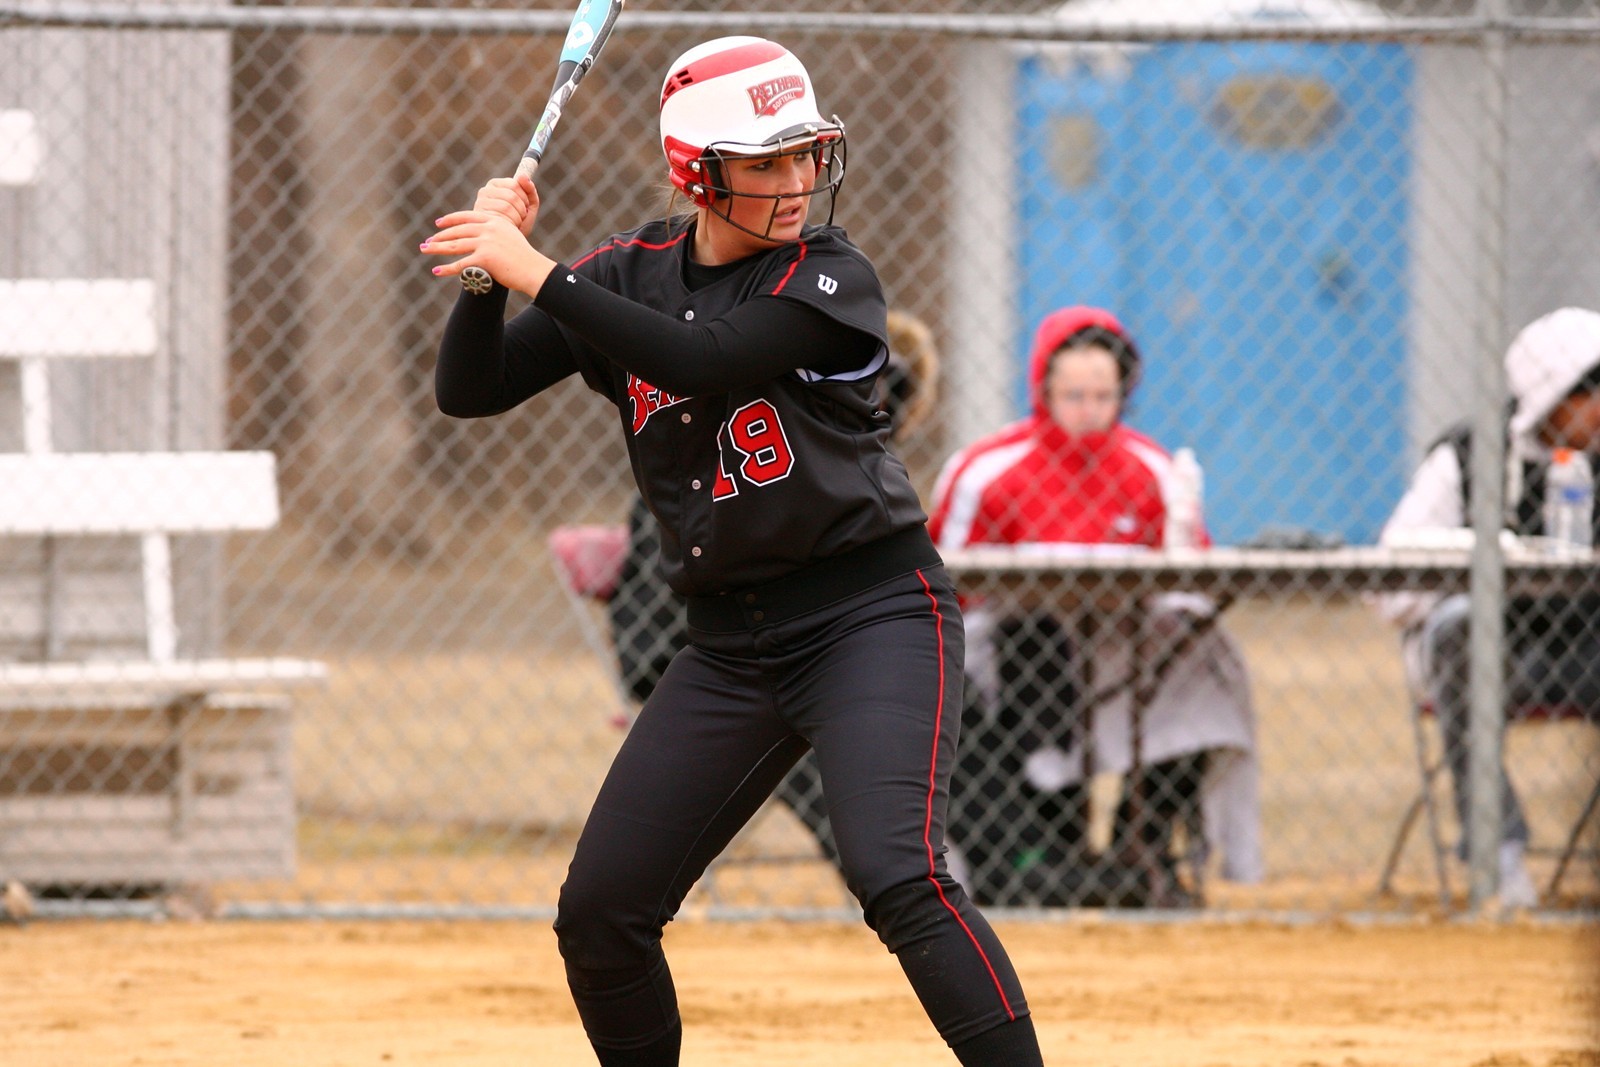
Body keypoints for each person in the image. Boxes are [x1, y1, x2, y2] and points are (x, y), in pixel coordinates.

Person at [424, 36, 1043, 1067]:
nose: (795, 181)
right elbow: (469, 390)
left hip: (872, 616)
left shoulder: (831, 274)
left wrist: (535, 271)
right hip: (727, 646)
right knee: (601, 911)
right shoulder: (624, 274)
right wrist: (489, 274)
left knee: (898, 873)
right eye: (763, 162)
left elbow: (698, 356)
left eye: (804, 154)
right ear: (695, 173)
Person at [927, 305, 1261, 908]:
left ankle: (1149, 845)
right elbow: (940, 579)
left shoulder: (1152, 470)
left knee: (1200, 657)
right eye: (1073, 394)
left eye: (1104, 395)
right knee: (1035, 640)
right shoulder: (988, 469)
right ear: (1043, 390)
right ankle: (1048, 851)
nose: (1088, 410)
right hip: (1019, 650)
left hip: (1125, 644)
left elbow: (1194, 579)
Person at [607, 309, 942, 868]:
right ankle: (888, 868)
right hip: (687, 645)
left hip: (792, 643)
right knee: (827, 736)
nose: (879, 400)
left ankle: (959, 867)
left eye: (891, 390)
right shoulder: (738, 443)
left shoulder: (855, 465)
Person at [1375, 306, 1600, 908]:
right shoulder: (1471, 455)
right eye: (1591, 393)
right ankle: (1496, 857)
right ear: (1556, 397)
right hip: (1499, 657)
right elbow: (1389, 586)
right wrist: (1483, 559)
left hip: (1587, 652)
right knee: (1455, 626)